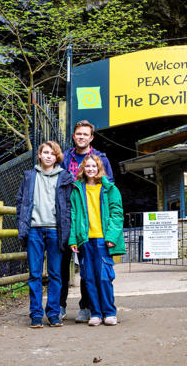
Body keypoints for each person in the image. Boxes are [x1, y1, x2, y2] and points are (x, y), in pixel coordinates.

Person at [60, 119, 114, 322]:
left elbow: (109, 190)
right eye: (78, 134)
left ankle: (88, 306)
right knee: (63, 262)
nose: (81, 137)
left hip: (92, 219)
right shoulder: (65, 158)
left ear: (91, 137)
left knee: (89, 266)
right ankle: (60, 306)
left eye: (85, 134)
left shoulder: (100, 159)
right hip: (67, 214)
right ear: (74, 136)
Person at [15, 141, 74, 328]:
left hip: (56, 230)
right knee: (34, 274)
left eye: (52, 153)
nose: (48, 156)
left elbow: (70, 206)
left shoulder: (65, 178)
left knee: (56, 274)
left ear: (57, 157)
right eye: (45, 152)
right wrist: (22, 223)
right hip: (34, 230)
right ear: (39, 155)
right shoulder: (29, 176)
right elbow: (20, 202)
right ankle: (35, 314)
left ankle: (54, 313)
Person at [68, 154, 125, 326]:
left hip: (102, 239)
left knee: (104, 277)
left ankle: (109, 312)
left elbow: (117, 214)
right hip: (85, 240)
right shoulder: (77, 190)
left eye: (94, 166)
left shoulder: (110, 189)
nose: (91, 169)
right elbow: (73, 215)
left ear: (99, 169)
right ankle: (95, 313)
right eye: (88, 166)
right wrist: (73, 239)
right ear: (83, 169)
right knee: (89, 278)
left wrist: (111, 236)